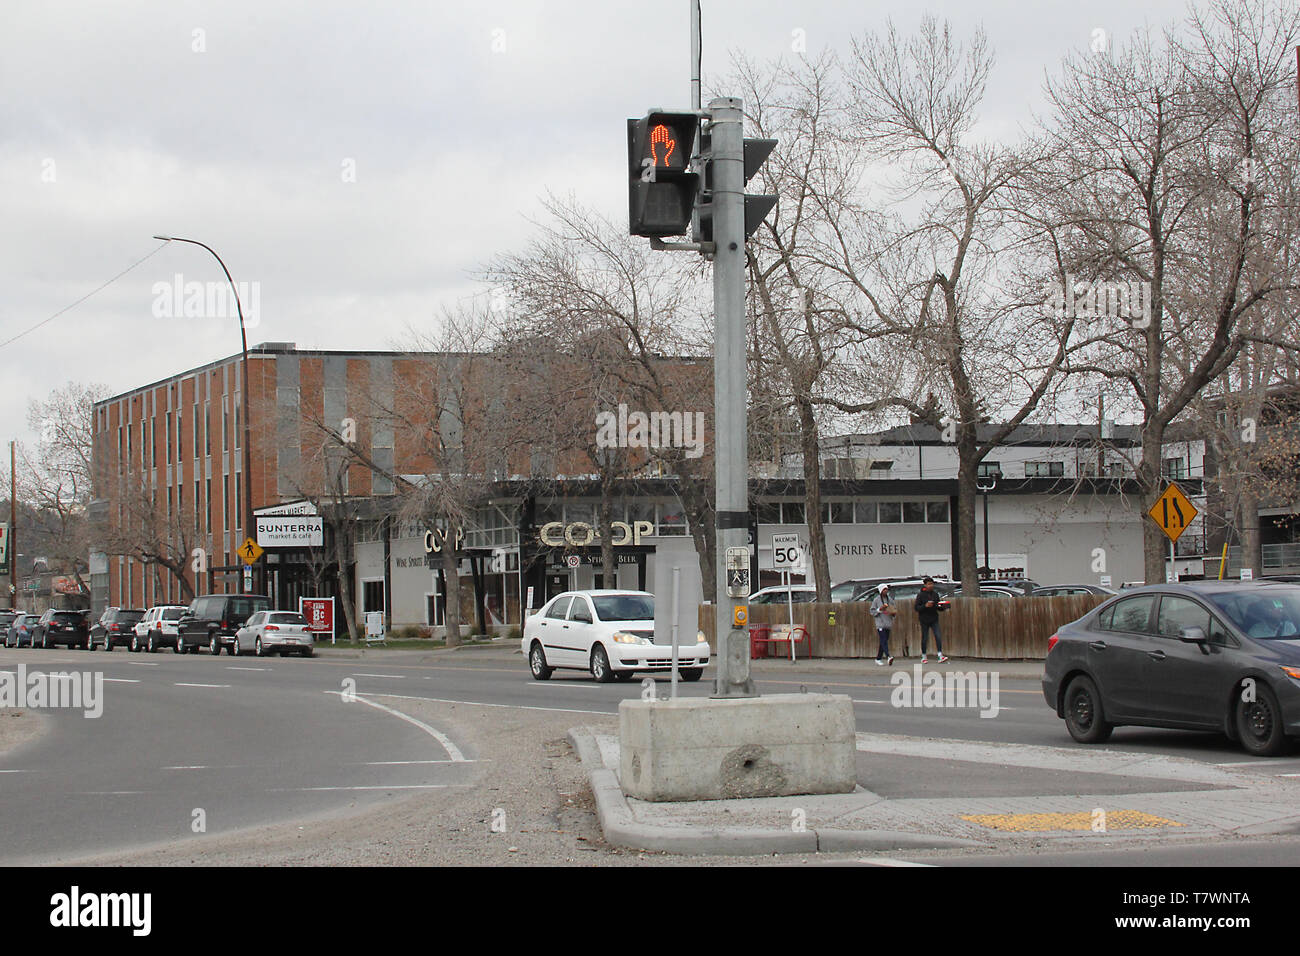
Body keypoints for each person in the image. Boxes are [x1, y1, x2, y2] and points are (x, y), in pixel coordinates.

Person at [914, 577, 949, 664]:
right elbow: (916, 608)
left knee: (938, 636)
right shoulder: (921, 595)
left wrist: (942, 607)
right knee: (925, 638)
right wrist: (925, 606)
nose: (930, 586)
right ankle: (924, 656)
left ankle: (940, 655)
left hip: (934, 618)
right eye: (929, 584)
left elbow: (937, 606)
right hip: (924, 619)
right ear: (925, 585)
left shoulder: (935, 594)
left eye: (932, 584)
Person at [870, 584, 895, 665]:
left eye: (886, 589)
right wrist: (879, 609)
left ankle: (878, 658)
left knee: (883, 641)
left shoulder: (890, 599)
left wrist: (892, 612)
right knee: (883, 639)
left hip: (888, 623)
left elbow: (893, 609)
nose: (886, 591)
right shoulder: (876, 600)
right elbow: (872, 612)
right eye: (884, 589)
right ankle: (888, 656)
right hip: (880, 623)